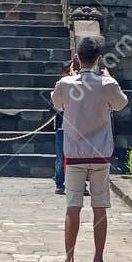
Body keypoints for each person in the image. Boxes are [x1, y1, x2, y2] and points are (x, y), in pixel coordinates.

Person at [50, 34, 128, 262]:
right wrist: (107, 77)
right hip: (100, 154)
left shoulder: (65, 84)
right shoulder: (108, 85)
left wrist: (73, 75)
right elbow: (121, 104)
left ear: (76, 58)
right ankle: (98, 260)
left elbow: (57, 104)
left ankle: (70, 260)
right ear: (99, 59)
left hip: (74, 154)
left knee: (72, 207)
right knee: (99, 207)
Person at [52, 57, 72, 194]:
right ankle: (60, 183)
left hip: (78, 127)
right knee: (61, 156)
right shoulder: (61, 85)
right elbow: (55, 107)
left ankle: (80, 184)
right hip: (62, 125)